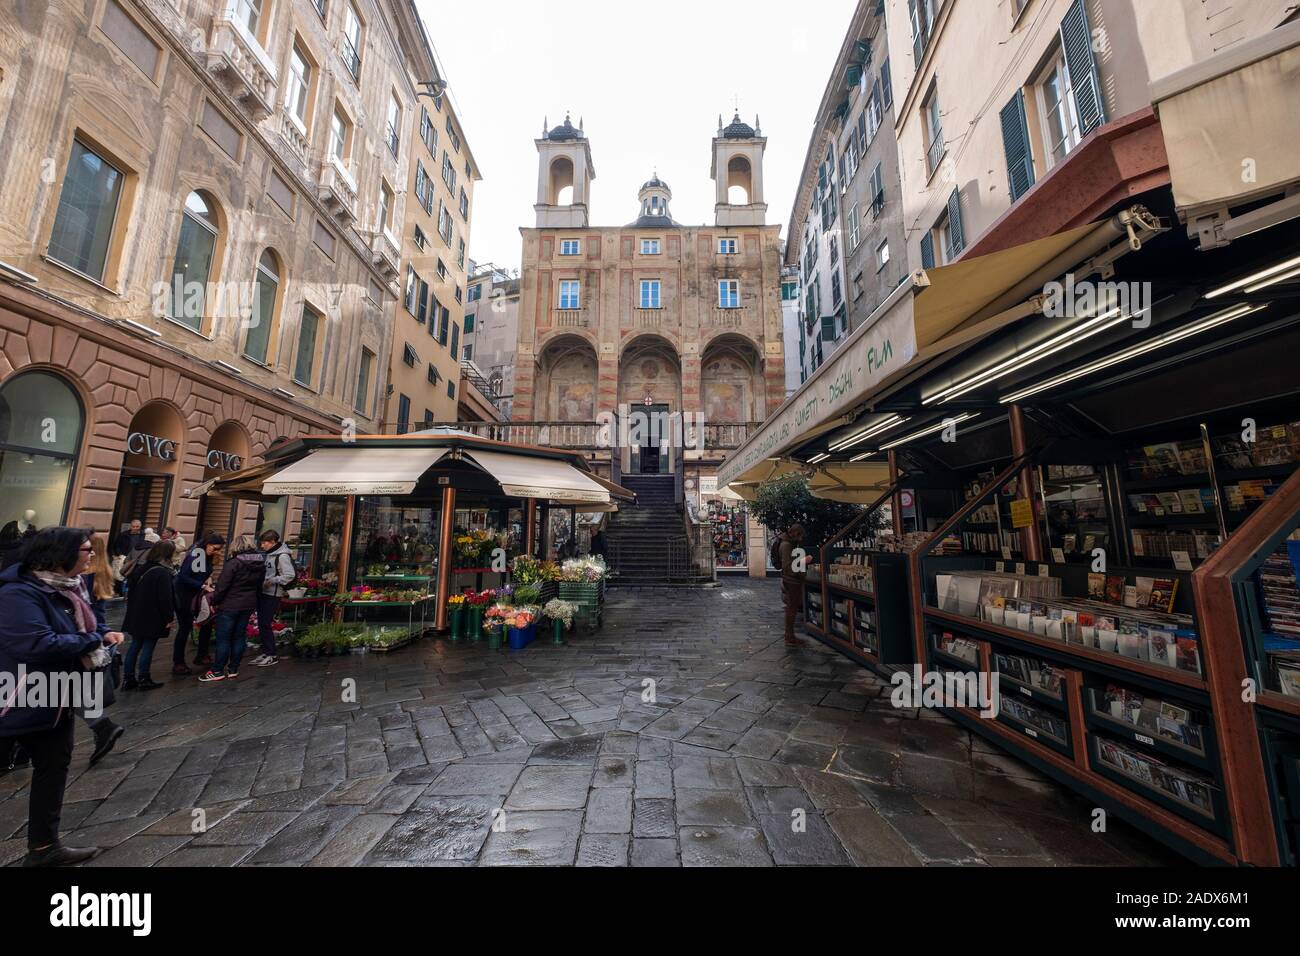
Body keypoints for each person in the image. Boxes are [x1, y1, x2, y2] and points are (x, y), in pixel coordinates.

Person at [0, 526, 125, 866]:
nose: (91, 555)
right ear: (59, 555)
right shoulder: (19, 593)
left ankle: (44, 848)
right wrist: (92, 642)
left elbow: (81, 627)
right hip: (18, 696)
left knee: (53, 770)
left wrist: (103, 632)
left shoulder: (72, 587)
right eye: (86, 550)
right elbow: (34, 644)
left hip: (57, 697)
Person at [81, 535, 124, 766]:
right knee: (61, 691)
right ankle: (102, 725)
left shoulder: (82, 576)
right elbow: (97, 612)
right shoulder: (101, 573)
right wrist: (103, 631)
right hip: (89, 638)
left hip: (80, 639)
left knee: (53, 690)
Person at [200, 535, 264, 683]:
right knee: (239, 636)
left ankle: (217, 670)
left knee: (224, 638)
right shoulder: (260, 563)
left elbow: (222, 586)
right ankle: (233, 669)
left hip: (230, 604)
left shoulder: (234, 563)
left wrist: (214, 601)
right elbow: (259, 585)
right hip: (248, 604)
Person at [121, 540, 176, 691]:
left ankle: (128, 678)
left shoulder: (142, 567)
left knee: (135, 645)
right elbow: (165, 598)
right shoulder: (162, 572)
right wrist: (169, 618)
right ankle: (144, 678)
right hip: (153, 615)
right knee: (148, 647)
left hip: (136, 613)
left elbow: (130, 592)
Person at [172, 533, 224, 675]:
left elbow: (201, 573)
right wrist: (202, 586)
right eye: (215, 548)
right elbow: (184, 576)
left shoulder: (205, 555)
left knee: (206, 622)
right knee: (185, 627)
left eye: (219, 549)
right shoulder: (197, 554)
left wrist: (207, 580)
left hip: (196, 594)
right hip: (184, 596)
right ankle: (179, 662)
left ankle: (202, 655)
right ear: (207, 544)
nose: (217, 551)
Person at [250, 529, 295, 668]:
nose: (262, 546)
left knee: (265, 623)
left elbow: (289, 575)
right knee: (263, 623)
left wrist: (273, 580)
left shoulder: (282, 556)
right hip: (265, 592)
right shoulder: (271, 555)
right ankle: (266, 652)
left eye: (265, 543)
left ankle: (271, 654)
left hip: (273, 593)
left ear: (273, 542)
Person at [778, 523, 807, 647]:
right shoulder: (786, 545)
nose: (800, 539)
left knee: (792, 609)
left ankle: (790, 636)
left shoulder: (788, 544)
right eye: (799, 536)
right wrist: (804, 562)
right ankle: (789, 637)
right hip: (791, 581)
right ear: (794, 533)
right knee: (792, 609)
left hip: (791, 580)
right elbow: (788, 567)